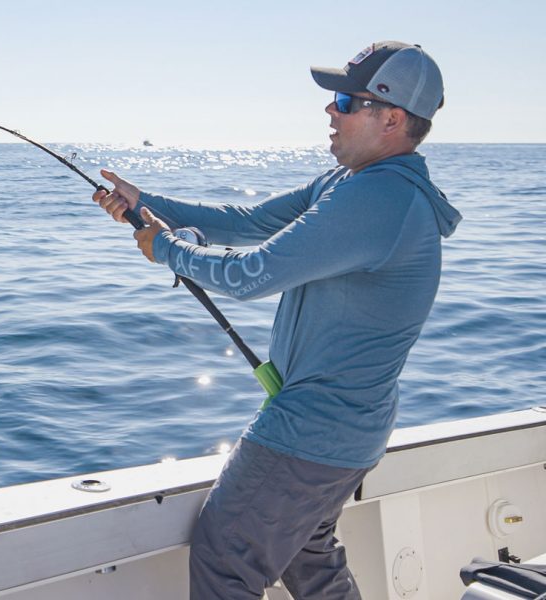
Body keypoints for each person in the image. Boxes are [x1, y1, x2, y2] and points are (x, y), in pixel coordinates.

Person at [93, 41, 461, 599]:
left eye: (346, 101)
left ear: (391, 119)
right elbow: (249, 221)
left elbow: (252, 274)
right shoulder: (353, 183)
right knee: (311, 558)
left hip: (309, 431)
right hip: (347, 431)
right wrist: (145, 203)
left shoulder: (381, 199)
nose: (330, 110)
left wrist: (168, 249)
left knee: (225, 556)